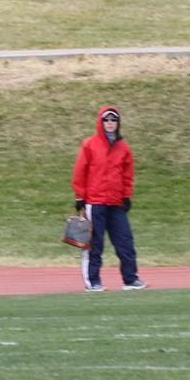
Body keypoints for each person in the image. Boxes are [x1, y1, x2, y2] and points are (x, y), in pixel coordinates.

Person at [73, 105, 146, 292]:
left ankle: (130, 279)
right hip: (95, 202)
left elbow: (127, 174)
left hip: (116, 202)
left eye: (114, 120)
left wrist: (126, 196)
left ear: (118, 123)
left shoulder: (123, 147)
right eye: (107, 120)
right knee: (95, 244)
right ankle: (93, 282)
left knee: (125, 241)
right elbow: (80, 171)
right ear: (101, 122)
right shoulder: (90, 144)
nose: (110, 123)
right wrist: (80, 197)